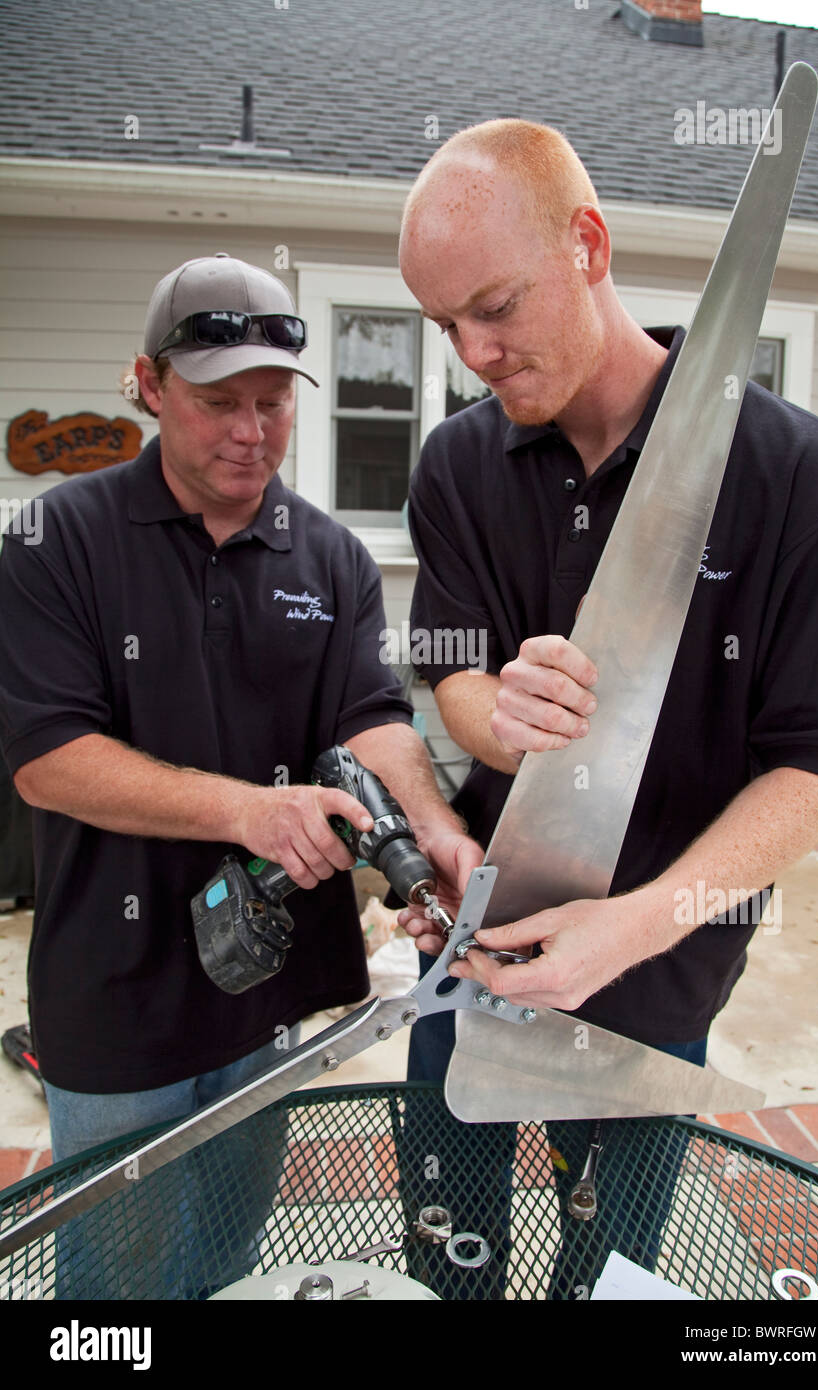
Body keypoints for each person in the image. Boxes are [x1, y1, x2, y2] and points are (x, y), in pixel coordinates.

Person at [395, 120, 818, 1295]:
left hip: (657, 974)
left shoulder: (795, 473)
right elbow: (453, 675)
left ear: (587, 246)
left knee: (603, 1276)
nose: (473, 353)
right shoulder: (454, 466)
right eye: (443, 325)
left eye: (493, 307)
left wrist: (641, 922)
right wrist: (497, 714)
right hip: (476, 944)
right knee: (445, 1262)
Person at [0, 253, 481, 1297]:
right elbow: (47, 760)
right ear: (149, 383)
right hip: (113, 993)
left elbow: (369, 720)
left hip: (268, 986)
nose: (250, 432)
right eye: (218, 402)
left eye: (272, 403)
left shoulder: (333, 559)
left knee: (227, 1262)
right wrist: (251, 812)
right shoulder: (55, 540)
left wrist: (431, 834)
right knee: (119, 1286)